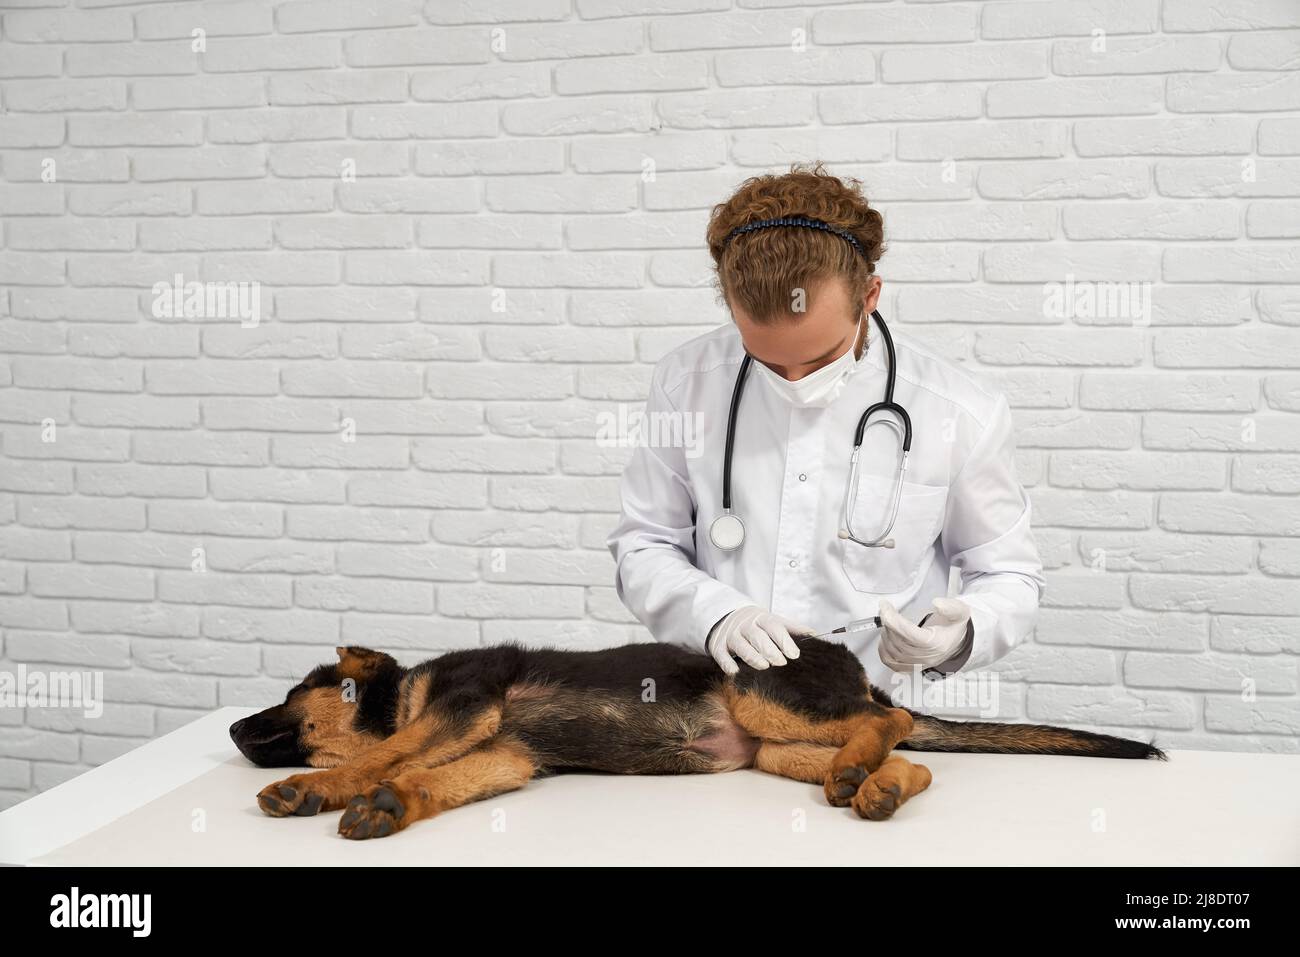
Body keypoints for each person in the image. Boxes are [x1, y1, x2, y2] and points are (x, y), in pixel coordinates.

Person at [606, 163, 1044, 692]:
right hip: (717, 712)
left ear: (870, 295)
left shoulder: (960, 412)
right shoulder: (685, 384)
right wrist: (717, 615)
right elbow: (645, 543)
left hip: (871, 717)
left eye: (819, 358)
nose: (794, 380)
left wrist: (959, 636)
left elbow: (1008, 575)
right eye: (766, 360)